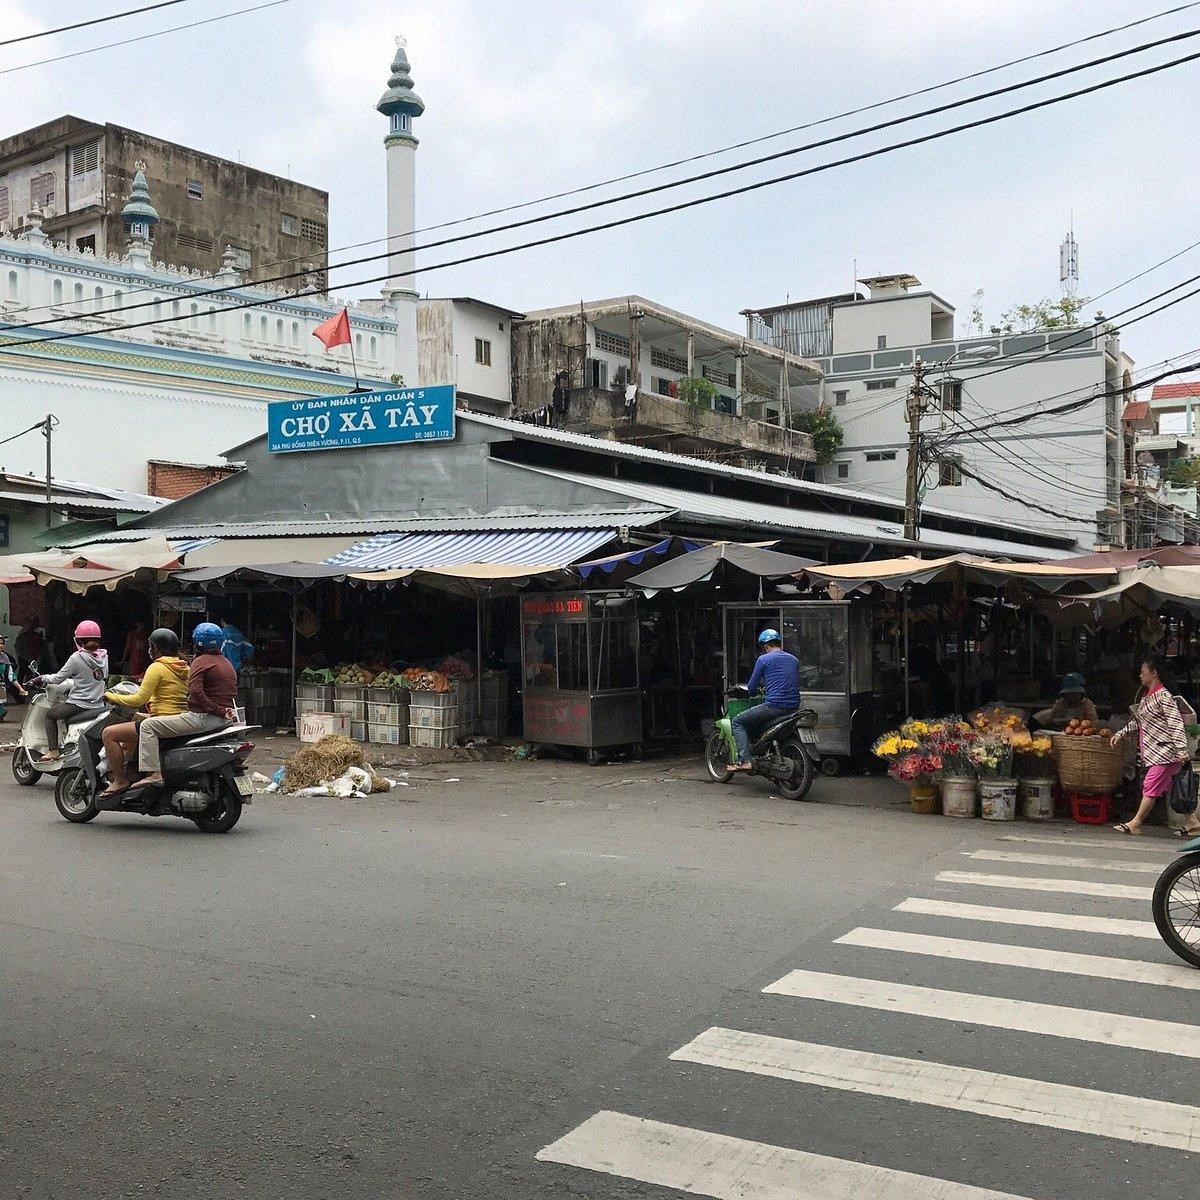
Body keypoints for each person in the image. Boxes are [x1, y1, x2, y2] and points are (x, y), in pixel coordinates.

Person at [135, 622, 237, 788]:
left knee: (147, 726)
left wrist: (217, 710)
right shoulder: (226, 663)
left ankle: (154, 774)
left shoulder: (200, 661)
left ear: (196, 642)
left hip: (204, 718)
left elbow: (195, 692)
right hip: (224, 720)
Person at [1110, 653, 1199, 836]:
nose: (1140, 675)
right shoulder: (1147, 697)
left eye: (1143, 672)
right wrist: (1120, 733)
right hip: (1158, 751)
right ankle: (1193, 822)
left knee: (1150, 786)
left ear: (1154, 673)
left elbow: (1175, 723)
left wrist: (1182, 749)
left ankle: (1136, 822)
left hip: (1165, 752)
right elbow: (1139, 721)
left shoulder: (1163, 696)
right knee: (1175, 787)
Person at [99, 628, 189, 797]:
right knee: (137, 720)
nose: (149, 649)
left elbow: (139, 699)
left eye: (150, 646)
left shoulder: (157, 667)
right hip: (176, 718)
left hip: (161, 720)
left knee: (109, 734)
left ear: (156, 648)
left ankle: (120, 780)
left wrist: (111, 696)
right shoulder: (183, 667)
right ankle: (134, 770)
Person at [31, 620, 108, 763]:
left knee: (50, 715)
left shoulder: (76, 658)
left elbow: (58, 679)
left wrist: (42, 678)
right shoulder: (104, 657)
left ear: (78, 641)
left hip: (79, 705)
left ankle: (53, 751)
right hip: (98, 704)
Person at [730, 628, 801, 772]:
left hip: (774, 706)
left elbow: (751, 686)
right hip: (794, 706)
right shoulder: (794, 660)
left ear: (765, 645)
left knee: (738, 722)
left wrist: (753, 692)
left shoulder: (763, 659)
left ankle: (745, 761)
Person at [1034, 673, 1100, 730]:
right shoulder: (1060, 703)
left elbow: (1094, 722)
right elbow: (1050, 719)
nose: (1072, 695)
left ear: (1081, 693)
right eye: (1069, 693)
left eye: (1075, 693)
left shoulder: (1087, 704)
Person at [0, 634, 28, 720]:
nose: (0, 645)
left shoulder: (4, 657)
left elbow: (11, 675)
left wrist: (20, 688)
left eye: (2, 643)